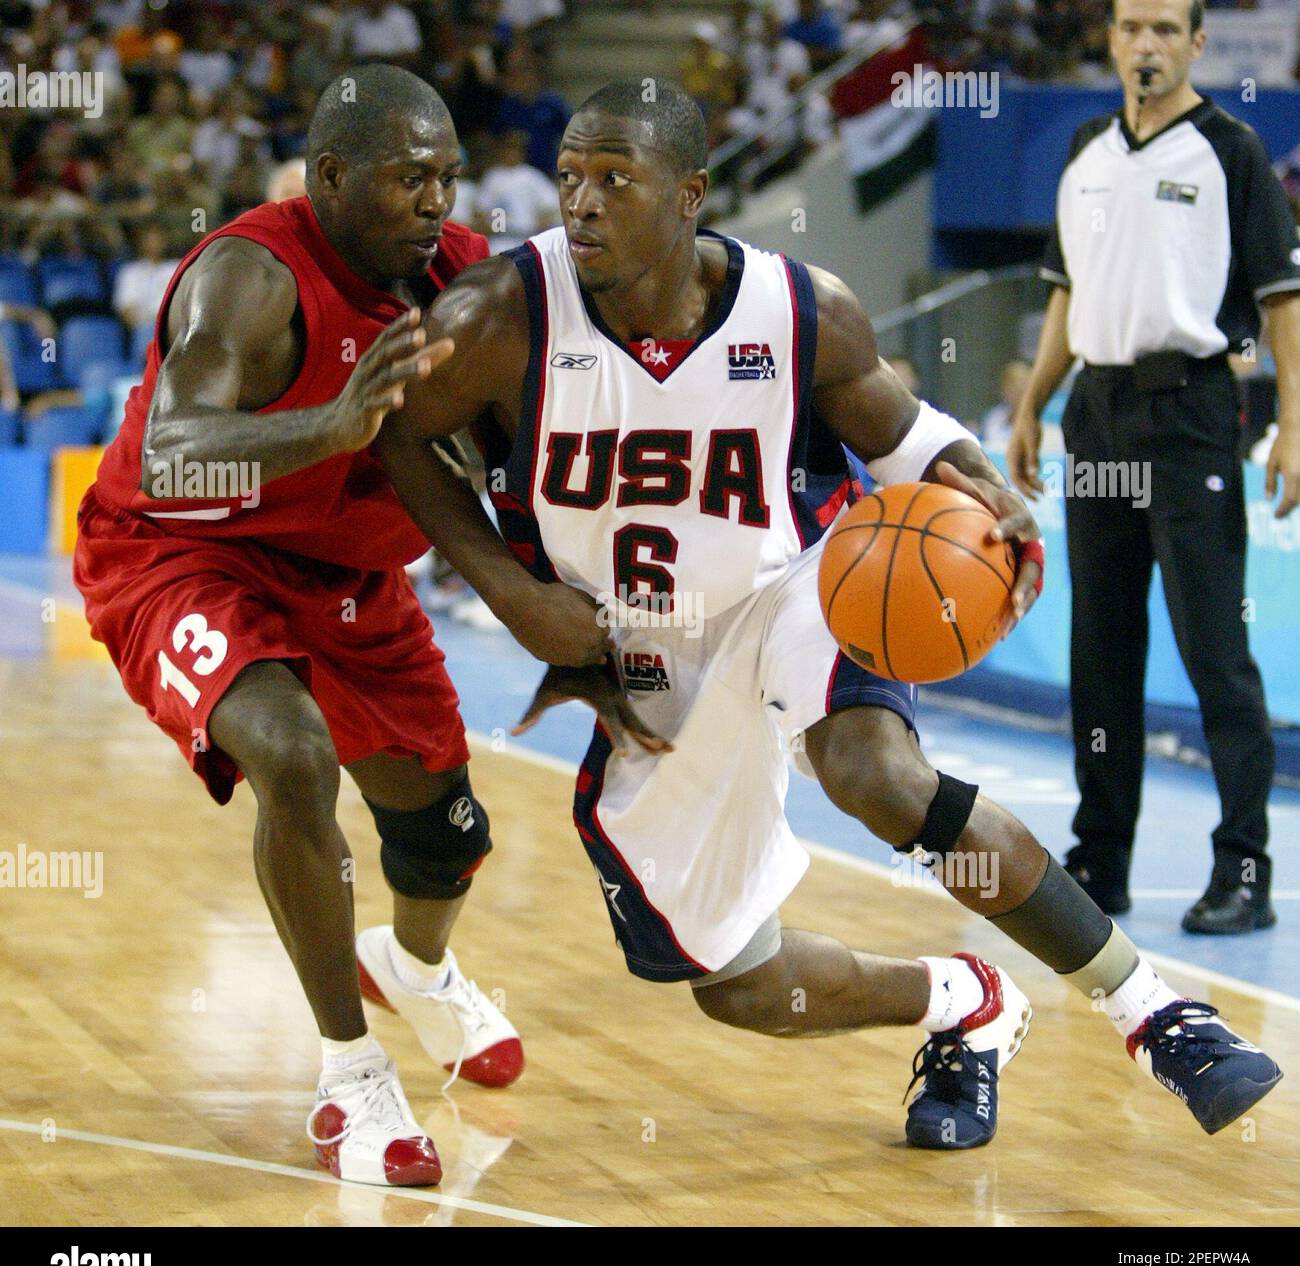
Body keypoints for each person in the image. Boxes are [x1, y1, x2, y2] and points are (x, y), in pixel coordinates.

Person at [376, 79, 1282, 1149]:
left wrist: (984, 487)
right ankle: (962, 1000)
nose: (580, 203)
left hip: (796, 583)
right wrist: (511, 591)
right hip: (642, 658)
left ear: (689, 196)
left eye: (615, 180)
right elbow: (399, 438)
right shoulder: (500, 312)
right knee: (735, 983)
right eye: (570, 176)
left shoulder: (798, 310)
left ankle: (1158, 1014)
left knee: (873, 772)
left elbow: (911, 438)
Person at [73, 65, 607, 1188]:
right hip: (182, 551)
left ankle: (412, 967)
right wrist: (333, 422)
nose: (434, 202)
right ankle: (349, 1073)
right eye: (410, 179)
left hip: (351, 575)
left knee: (445, 840)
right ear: (330, 177)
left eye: (447, 180)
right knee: (291, 751)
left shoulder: (466, 283)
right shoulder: (249, 277)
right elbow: (172, 455)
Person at [1008, 0, 1300, 933]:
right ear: (1111, 39)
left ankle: (1244, 868)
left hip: (1193, 412)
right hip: (1094, 411)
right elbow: (1064, 295)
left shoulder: (1232, 151)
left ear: (1196, 45)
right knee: (1100, 656)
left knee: (1215, 652)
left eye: (1167, 30)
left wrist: (1294, 424)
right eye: (1133, 27)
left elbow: (1283, 302)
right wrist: (1030, 406)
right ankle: (1102, 862)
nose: (1147, 44)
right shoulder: (1087, 149)